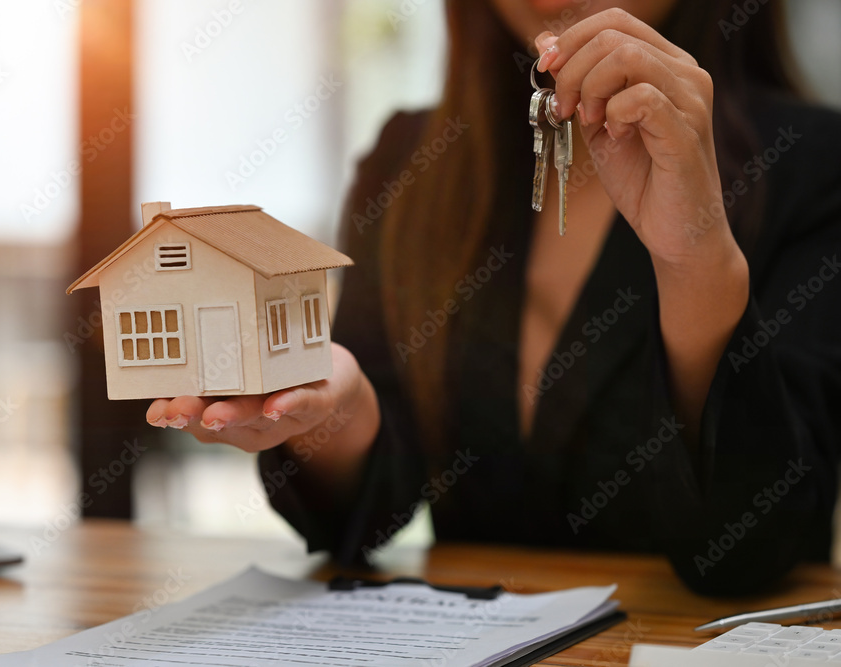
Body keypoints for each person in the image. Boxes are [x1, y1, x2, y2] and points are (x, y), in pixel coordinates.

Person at [146, 0, 841, 595]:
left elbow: (752, 547)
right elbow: (367, 514)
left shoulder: (812, 165)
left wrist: (695, 261)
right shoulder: (409, 160)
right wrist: (332, 416)